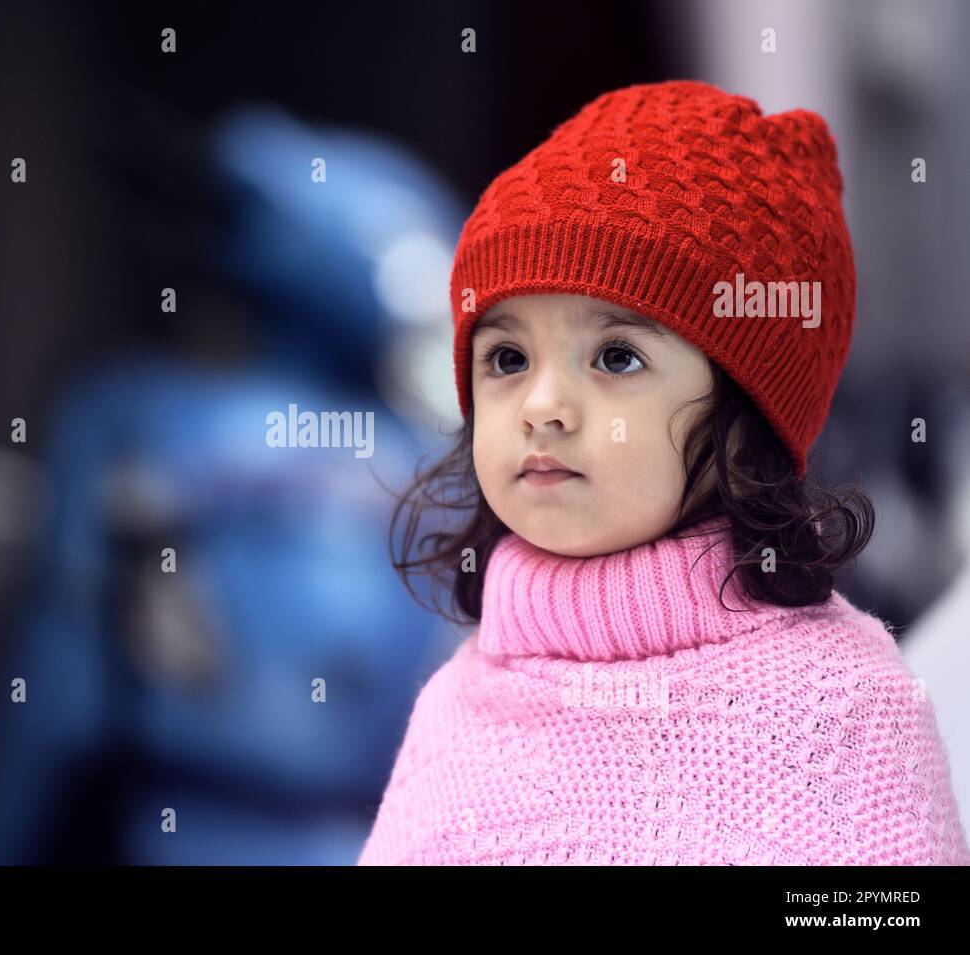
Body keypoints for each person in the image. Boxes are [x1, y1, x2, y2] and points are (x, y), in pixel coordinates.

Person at [357, 79, 970, 865]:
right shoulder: (456, 705)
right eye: (507, 357)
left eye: (617, 357)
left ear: (748, 425)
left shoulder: (843, 709)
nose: (542, 405)